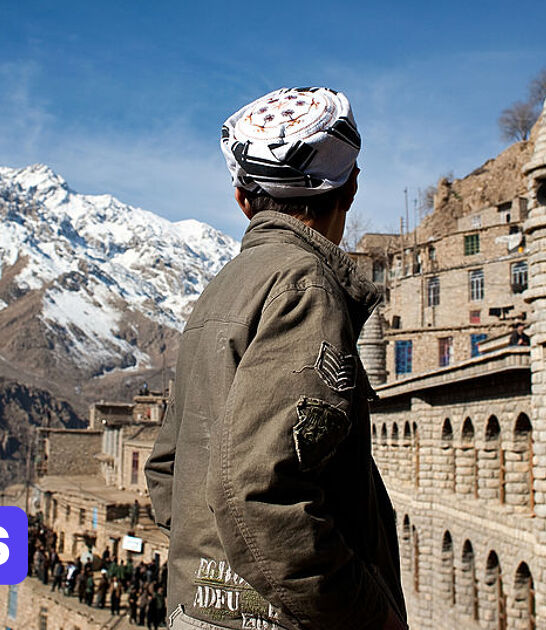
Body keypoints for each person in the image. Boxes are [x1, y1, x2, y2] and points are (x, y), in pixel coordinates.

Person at [146, 87, 406, 630]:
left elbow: (168, 470)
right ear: (351, 187)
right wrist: (367, 611)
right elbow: (262, 490)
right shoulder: (305, 286)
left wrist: (212, 571)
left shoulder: (221, 291)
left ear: (243, 199)